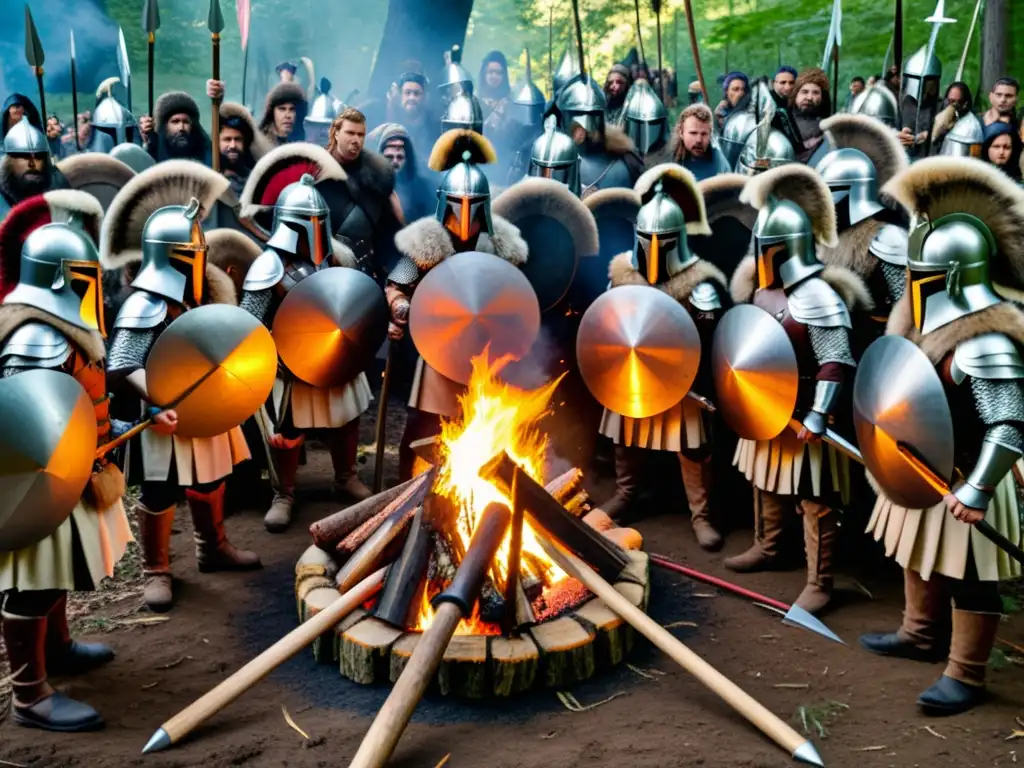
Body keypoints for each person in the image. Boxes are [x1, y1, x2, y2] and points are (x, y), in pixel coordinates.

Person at [860, 157, 1024, 715]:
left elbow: (1008, 425)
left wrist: (978, 491)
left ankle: (967, 673)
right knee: (917, 552)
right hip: (925, 465)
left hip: (973, 475)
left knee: (972, 577)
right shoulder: (929, 329)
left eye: (922, 277)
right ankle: (919, 633)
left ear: (951, 276)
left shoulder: (986, 342)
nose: (913, 288)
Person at [0, 192, 134, 732]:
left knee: (51, 575)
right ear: (62, 277)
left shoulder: (60, 329)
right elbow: (22, 427)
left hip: (70, 470)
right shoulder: (34, 337)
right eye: (86, 274)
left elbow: (83, 404)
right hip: (38, 482)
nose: (95, 284)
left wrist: (116, 429)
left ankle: (55, 649)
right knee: (31, 582)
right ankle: (28, 695)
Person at [101, 162, 261, 613]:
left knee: (211, 479)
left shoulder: (204, 294)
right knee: (161, 489)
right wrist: (155, 401)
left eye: (200, 253)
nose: (198, 262)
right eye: (190, 255)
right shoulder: (144, 302)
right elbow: (123, 361)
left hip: (203, 405)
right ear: (168, 256)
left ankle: (213, 548)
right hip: (160, 415)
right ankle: (156, 569)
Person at [726, 164, 869, 614]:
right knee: (765, 479)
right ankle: (769, 546)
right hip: (768, 407)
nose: (762, 256)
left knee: (815, 497)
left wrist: (818, 414)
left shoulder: (819, 297)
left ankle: (819, 582)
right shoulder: (761, 292)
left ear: (788, 248)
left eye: (769, 248)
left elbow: (835, 361)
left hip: (806, 410)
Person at [591, 164, 727, 550]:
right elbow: (609, 320)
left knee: (692, 443)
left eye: (661, 240)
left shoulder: (698, 282)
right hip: (634, 371)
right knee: (623, 429)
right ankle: (627, 492)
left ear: (676, 240)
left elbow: (709, 336)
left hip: (681, 378)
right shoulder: (623, 274)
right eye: (646, 240)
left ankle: (700, 514)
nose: (652, 249)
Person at [386, 131, 528, 480]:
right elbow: (396, 285)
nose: (464, 213)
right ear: (444, 201)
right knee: (423, 424)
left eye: (472, 204)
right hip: (438, 346)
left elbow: (516, 299)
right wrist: (401, 308)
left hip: (488, 350)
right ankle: (410, 488)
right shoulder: (427, 241)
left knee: (483, 423)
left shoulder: (501, 245)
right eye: (456, 202)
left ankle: (470, 489)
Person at [238, 171, 373, 530]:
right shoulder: (269, 266)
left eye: (318, 223)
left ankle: (345, 476)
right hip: (290, 363)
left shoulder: (338, 259)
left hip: (335, 353)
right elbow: (249, 324)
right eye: (305, 224)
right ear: (288, 225)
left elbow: (355, 303)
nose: (313, 231)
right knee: (288, 430)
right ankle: (284, 493)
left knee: (346, 417)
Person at [816, 113, 910, 348]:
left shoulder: (888, 238)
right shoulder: (822, 235)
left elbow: (905, 307)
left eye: (830, 192)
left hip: (876, 344)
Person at [313, 108, 402, 282]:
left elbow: (388, 234)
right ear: (336, 133)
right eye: (350, 133)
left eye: (360, 135)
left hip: (362, 275)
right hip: (317, 269)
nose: (356, 140)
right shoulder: (315, 171)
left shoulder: (376, 178)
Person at [556, 74, 644, 197]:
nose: (584, 124)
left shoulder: (626, 160)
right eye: (577, 114)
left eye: (592, 115)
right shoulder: (555, 157)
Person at [0, 121, 70, 216]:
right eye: (24, 157)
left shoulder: (57, 184)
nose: (32, 163)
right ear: (10, 160)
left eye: (38, 157)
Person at [375, 123, 434, 222]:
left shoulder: (423, 190)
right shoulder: (371, 189)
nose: (394, 162)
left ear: (407, 159)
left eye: (400, 157)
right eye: (389, 157)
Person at [139, 92, 212, 164]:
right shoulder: (154, 146)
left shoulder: (205, 148)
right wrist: (147, 143)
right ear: (165, 125)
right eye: (175, 121)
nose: (181, 128)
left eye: (186, 122)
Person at [672, 104, 731, 180]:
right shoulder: (669, 161)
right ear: (681, 132)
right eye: (693, 133)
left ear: (710, 134)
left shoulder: (719, 163)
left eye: (704, 134)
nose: (699, 140)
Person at [789, 67, 831, 164]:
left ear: (822, 97)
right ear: (796, 94)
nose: (809, 97)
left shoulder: (826, 126)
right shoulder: (784, 120)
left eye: (815, 92)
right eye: (804, 92)